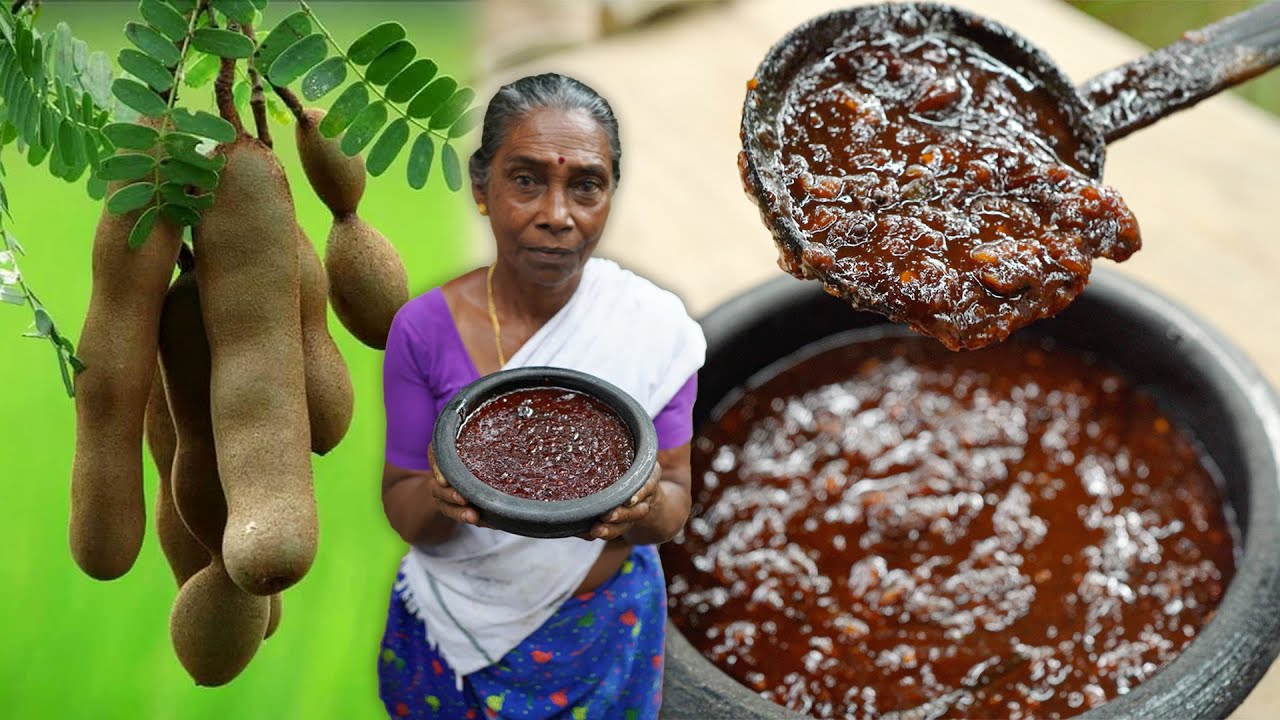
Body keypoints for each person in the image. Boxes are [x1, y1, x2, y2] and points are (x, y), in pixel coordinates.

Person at [377, 73, 706, 720]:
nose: (557, 215)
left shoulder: (654, 329)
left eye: (586, 185)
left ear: (610, 195)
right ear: (480, 188)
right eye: (526, 180)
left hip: (601, 636)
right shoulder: (423, 331)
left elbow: (672, 500)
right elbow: (404, 506)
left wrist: (640, 509)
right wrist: (441, 497)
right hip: (456, 637)